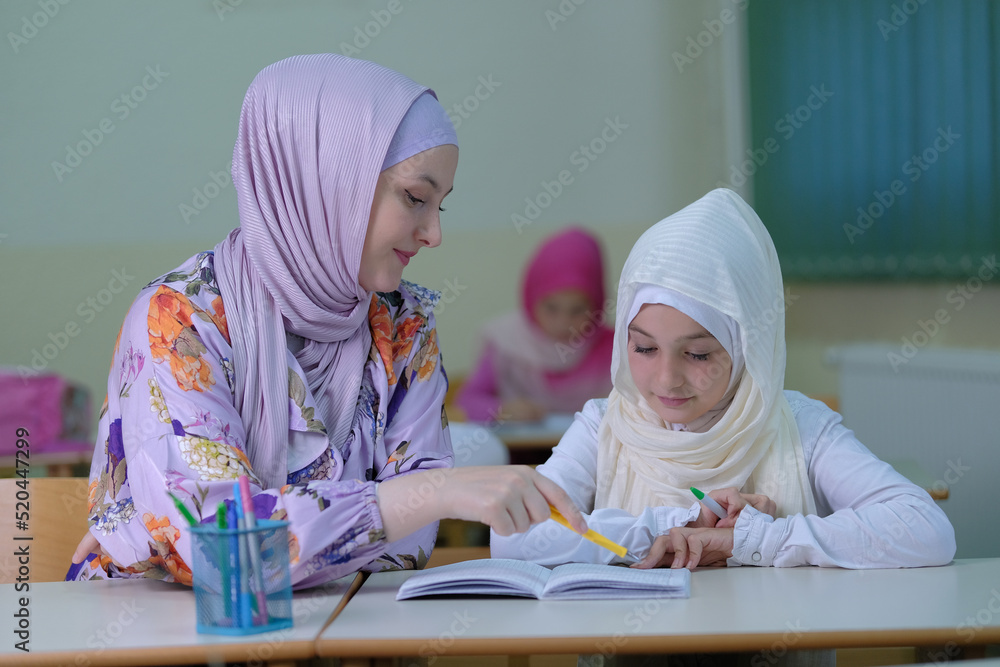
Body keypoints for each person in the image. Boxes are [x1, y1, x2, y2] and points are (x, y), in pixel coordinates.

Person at [68, 54, 584, 589]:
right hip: (158, 636)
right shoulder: (181, 320)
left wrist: (280, 534)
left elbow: (404, 549)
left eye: (440, 207)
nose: (433, 234)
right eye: (414, 198)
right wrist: (406, 501)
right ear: (331, 181)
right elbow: (223, 552)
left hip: (347, 626)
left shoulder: (403, 327)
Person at [491, 188, 956, 573]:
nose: (667, 378)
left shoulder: (799, 427)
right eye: (645, 348)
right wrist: (679, 522)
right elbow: (514, 537)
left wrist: (751, 538)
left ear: (746, 346)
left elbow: (925, 529)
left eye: (697, 354)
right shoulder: (603, 426)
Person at [456, 226, 615, 423]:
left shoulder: (616, 347)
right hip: (518, 453)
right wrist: (503, 410)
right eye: (551, 308)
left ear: (597, 304)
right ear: (531, 298)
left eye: (578, 310)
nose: (563, 322)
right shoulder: (505, 343)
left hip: (594, 454)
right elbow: (466, 401)